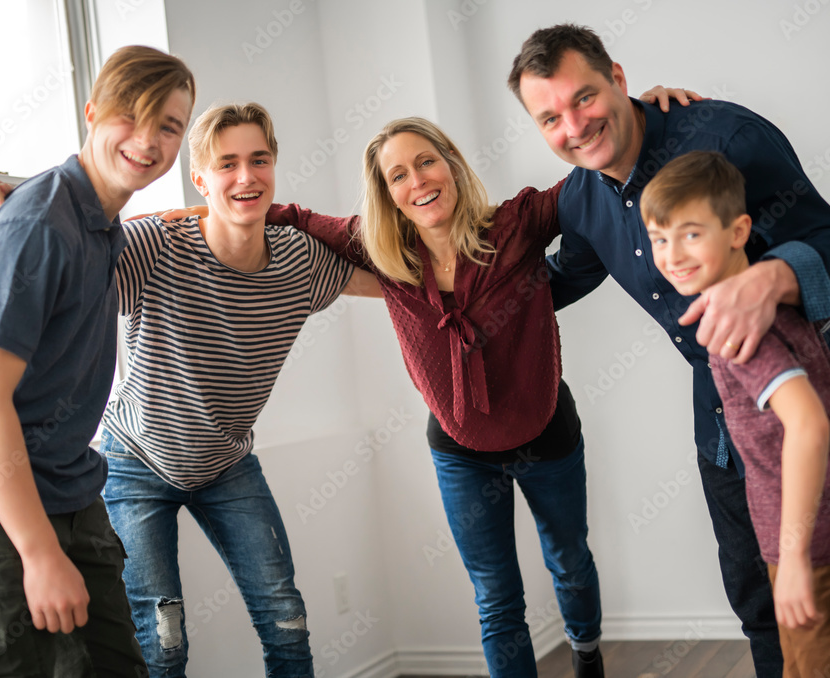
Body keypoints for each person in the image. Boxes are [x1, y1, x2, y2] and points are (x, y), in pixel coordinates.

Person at [154, 87, 689, 678]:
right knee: (495, 595)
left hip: (545, 428)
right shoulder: (384, 252)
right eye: (398, 174)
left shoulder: (516, 223)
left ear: (452, 165)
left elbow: (589, 179)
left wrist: (642, 109)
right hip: (460, 448)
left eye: (427, 161)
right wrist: (214, 210)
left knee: (569, 561)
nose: (418, 180)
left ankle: (587, 653)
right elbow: (299, 217)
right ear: (387, 193)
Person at [507, 24, 830, 675]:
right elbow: (554, 283)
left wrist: (771, 279)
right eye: (550, 117)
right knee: (754, 590)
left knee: (823, 589)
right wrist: (442, 295)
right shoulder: (580, 199)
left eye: (584, 99)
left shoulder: (727, 139)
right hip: (720, 401)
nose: (573, 126)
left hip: (822, 387)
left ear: (619, 80)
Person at [0, 102, 381, 678]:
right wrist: (7, 203)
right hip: (136, 461)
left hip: (227, 463)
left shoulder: (301, 263)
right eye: (226, 164)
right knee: (163, 638)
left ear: (275, 166)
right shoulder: (155, 245)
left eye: (258, 160)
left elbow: (393, 280)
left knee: (286, 619)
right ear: (200, 178)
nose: (246, 177)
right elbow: (70, 237)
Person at [0, 45, 195, 676]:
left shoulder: (98, 222)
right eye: (130, 115)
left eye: (169, 125)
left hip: (66, 485)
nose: (147, 140)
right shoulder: (38, 225)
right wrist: (38, 554)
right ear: (91, 113)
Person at [641, 150, 830, 677]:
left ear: (738, 231)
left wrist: (796, 556)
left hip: (822, 548)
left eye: (691, 234)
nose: (672, 254)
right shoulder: (767, 299)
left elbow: (808, 424)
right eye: (659, 238)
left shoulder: (740, 331)